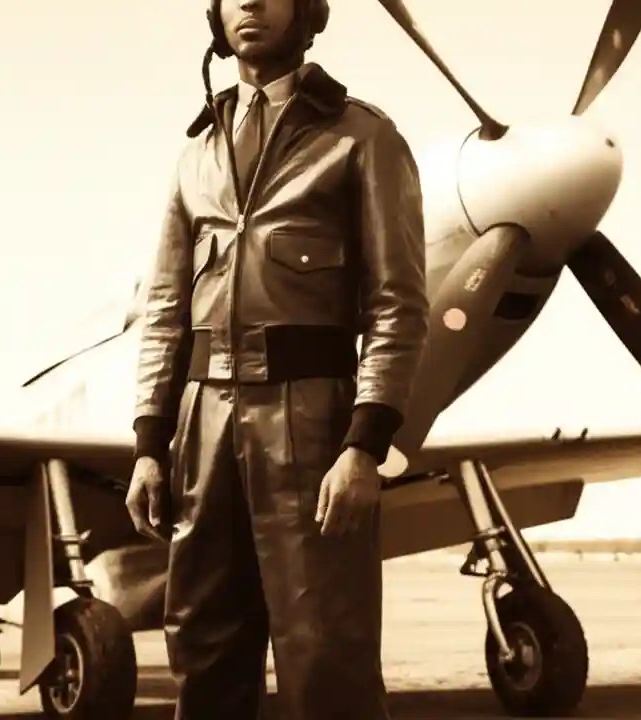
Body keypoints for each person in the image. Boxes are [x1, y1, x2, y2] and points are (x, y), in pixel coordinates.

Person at [125, 0, 428, 717]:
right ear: (215, 16)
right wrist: (148, 445)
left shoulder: (361, 137)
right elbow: (165, 311)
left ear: (309, 13)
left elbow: (398, 304)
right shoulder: (195, 154)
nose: (250, 4)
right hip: (203, 424)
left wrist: (364, 445)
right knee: (201, 643)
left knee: (324, 648)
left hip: (311, 419)